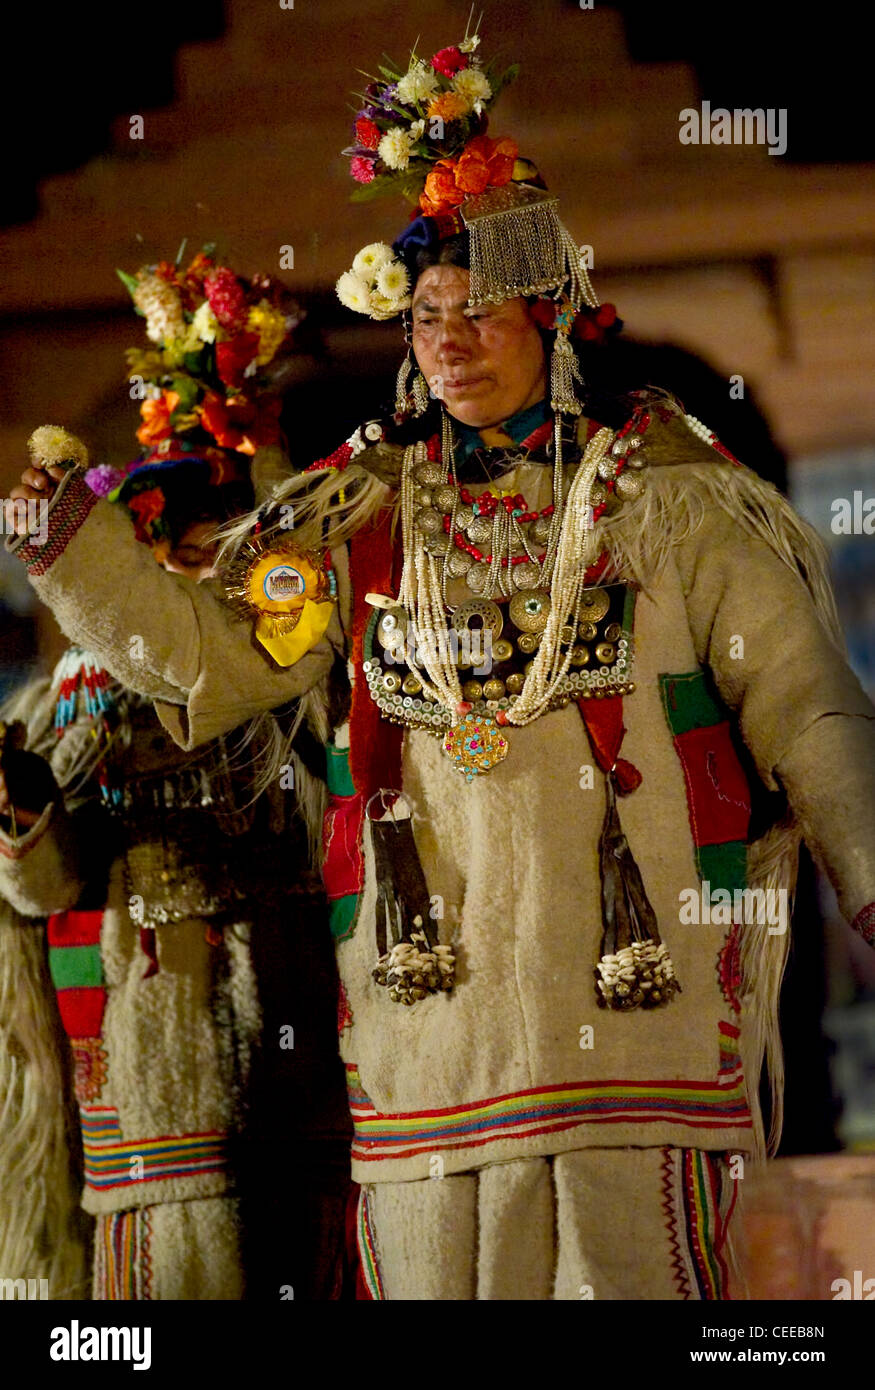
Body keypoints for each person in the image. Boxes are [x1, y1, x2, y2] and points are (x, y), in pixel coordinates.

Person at [5, 33, 875, 1300]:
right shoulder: (357, 515)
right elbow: (214, 659)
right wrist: (73, 553)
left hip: (632, 1031)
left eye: (478, 310)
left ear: (547, 317)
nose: (447, 340)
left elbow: (804, 702)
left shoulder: (665, 500)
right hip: (431, 1052)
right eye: (424, 317)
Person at [0, 253, 350, 1300]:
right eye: (177, 543)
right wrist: (23, 816)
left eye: (223, 543)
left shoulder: (310, 662)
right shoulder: (74, 696)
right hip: (152, 1047)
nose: (198, 562)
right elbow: (45, 891)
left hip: (314, 1027)